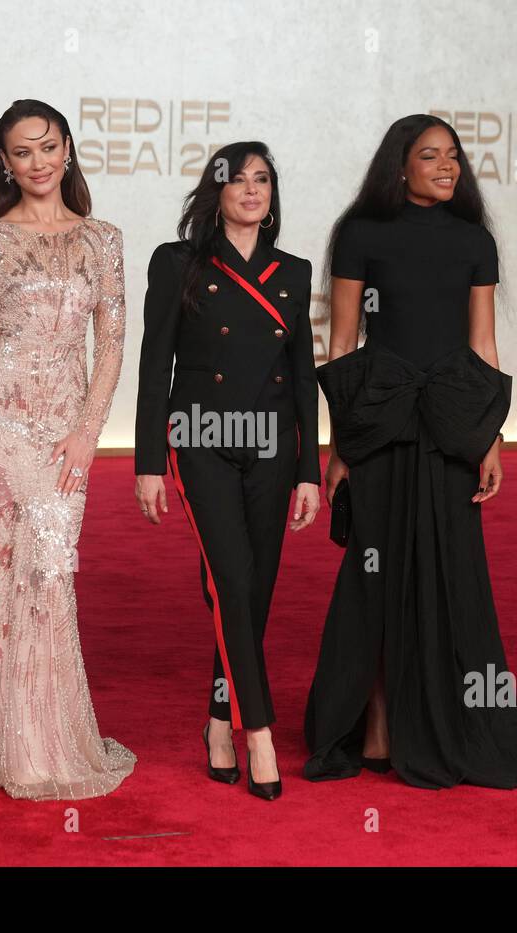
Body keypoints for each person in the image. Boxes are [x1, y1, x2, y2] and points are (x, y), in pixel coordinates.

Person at [304, 115, 517, 789]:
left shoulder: (475, 240)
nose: (448, 167)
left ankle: (445, 720)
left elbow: (482, 345)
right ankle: (381, 727)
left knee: (452, 574)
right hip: (381, 419)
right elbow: (341, 344)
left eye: (453, 156)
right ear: (400, 168)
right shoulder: (359, 234)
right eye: (431, 156)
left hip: (451, 421)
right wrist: (341, 447)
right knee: (377, 574)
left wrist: (491, 436)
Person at [0, 99, 135, 799]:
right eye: (23, 152)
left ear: (69, 149)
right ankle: (20, 750)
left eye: (48, 146)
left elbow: (110, 344)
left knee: (52, 576)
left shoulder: (102, 239)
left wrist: (86, 434)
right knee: (6, 576)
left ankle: (56, 736)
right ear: (5, 164)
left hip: (64, 431)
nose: (39, 161)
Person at [133, 142, 321, 800]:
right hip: (201, 440)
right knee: (232, 578)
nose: (250, 190)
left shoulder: (294, 272)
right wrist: (149, 463)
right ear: (214, 192)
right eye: (237, 180)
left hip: (272, 445)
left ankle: (218, 718)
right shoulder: (178, 262)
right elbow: (156, 364)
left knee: (252, 591)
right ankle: (258, 733)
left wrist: (309, 471)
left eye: (262, 180)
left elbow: (303, 379)